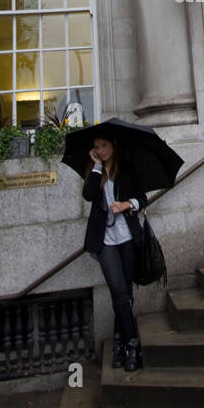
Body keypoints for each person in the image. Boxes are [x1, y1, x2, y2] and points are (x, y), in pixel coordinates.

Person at [82, 133, 147, 372]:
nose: (100, 149)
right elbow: (88, 195)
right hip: (105, 241)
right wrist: (97, 167)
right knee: (117, 289)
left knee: (126, 293)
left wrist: (127, 204)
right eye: (96, 147)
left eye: (104, 145)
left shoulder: (126, 169)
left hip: (128, 237)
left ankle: (119, 343)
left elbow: (143, 199)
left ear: (114, 145)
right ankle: (133, 344)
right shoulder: (95, 171)